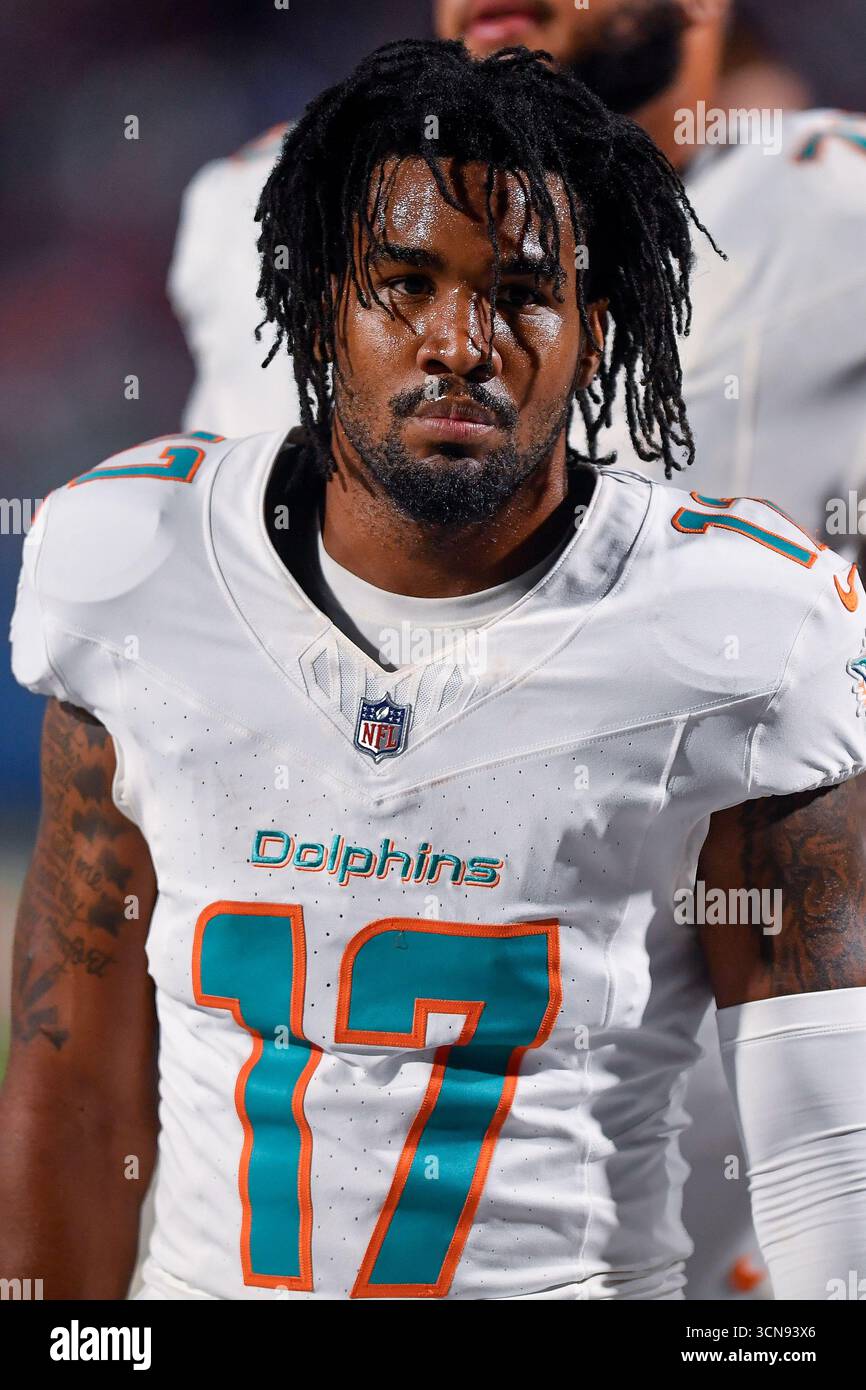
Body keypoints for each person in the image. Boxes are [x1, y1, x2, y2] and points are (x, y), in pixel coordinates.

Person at [3, 42, 865, 1302]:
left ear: (595, 328)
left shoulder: (736, 627)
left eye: (522, 292)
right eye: (404, 283)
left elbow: (826, 1168)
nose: (458, 342)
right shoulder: (131, 566)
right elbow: (75, 1088)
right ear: (313, 312)